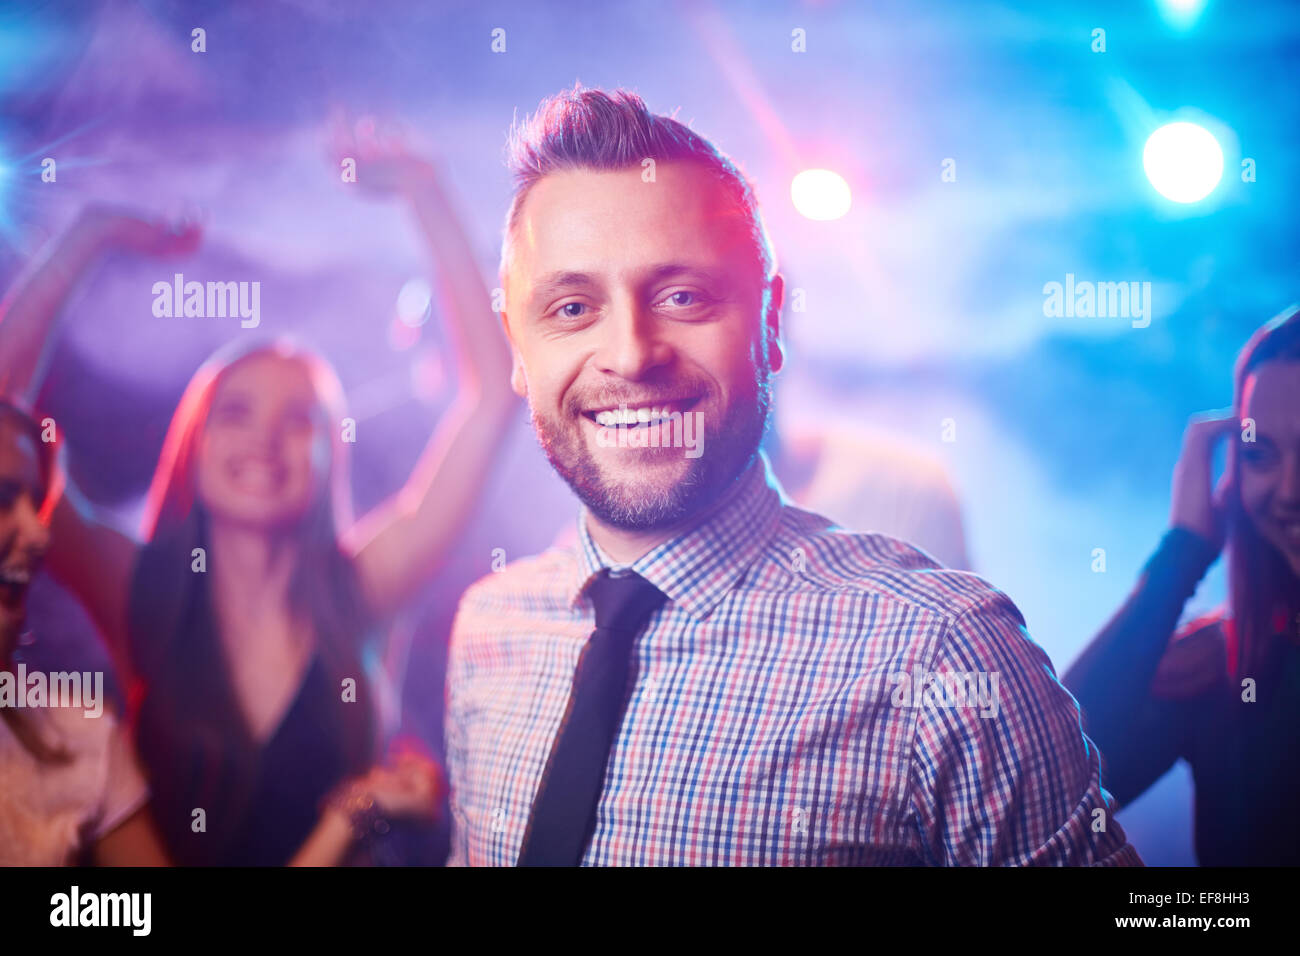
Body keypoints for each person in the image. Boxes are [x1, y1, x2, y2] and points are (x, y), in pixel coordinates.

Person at [444, 87, 1141, 866]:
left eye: (683, 297)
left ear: (771, 326)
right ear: (515, 348)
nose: (632, 352)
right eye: (572, 308)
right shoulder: (487, 630)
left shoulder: (944, 653)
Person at [0, 127, 516, 865]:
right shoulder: (139, 588)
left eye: (297, 419)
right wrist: (88, 237)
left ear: (328, 451)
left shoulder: (363, 588)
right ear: (195, 441)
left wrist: (423, 192)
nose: (264, 440)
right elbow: (3, 421)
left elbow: (492, 397)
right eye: (236, 412)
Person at [1064, 306, 1300, 866]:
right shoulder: (1222, 666)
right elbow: (1045, 788)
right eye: (1258, 455)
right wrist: (1182, 554)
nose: (1289, 490)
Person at [0, 400, 169, 865]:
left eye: (37, 504)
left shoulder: (82, 740)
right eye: (1, 498)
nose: (40, 535)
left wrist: (350, 817)